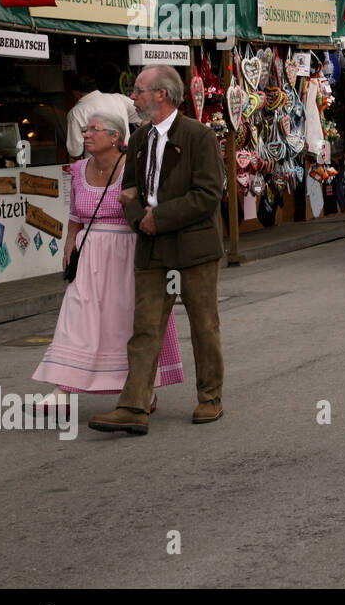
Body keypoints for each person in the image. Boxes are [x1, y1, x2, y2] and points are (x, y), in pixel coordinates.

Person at [88, 66, 226, 436]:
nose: (133, 97)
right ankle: (134, 405)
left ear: (161, 95)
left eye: (138, 90)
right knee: (145, 328)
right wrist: (140, 220)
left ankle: (210, 397)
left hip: (193, 247)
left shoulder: (199, 136)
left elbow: (208, 195)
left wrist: (158, 217)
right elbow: (129, 191)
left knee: (203, 325)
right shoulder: (138, 140)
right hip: (152, 247)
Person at [32, 109, 183, 414]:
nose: (86, 134)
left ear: (116, 137)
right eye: (86, 130)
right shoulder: (77, 170)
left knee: (127, 321)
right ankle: (63, 389)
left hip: (127, 251)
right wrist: (69, 243)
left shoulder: (135, 168)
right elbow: (75, 213)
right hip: (89, 252)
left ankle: (143, 389)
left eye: (94, 129)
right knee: (76, 315)